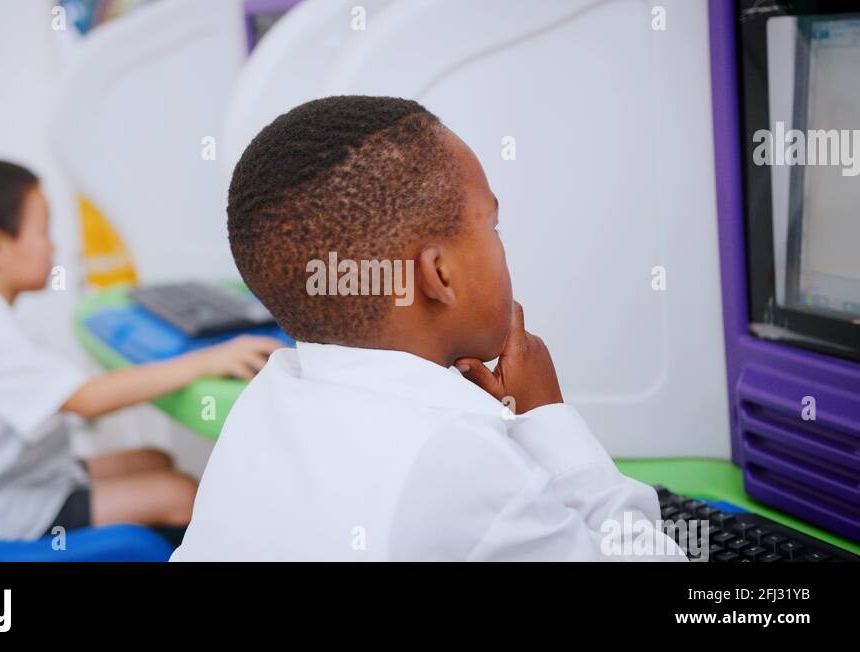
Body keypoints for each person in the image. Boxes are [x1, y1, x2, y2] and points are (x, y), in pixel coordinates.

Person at [170, 96, 685, 561]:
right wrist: (547, 418)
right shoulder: (457, 461)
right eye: (492, 225)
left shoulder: (269, 398)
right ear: (438, 275)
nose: (501, 244)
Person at [0, 159, 283, 544]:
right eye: (43, 231)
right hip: (3, 509)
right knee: (181, 495)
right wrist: (206, 359)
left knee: (155, 459)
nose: (55, 245)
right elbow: (86, 401)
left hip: (10, 478)